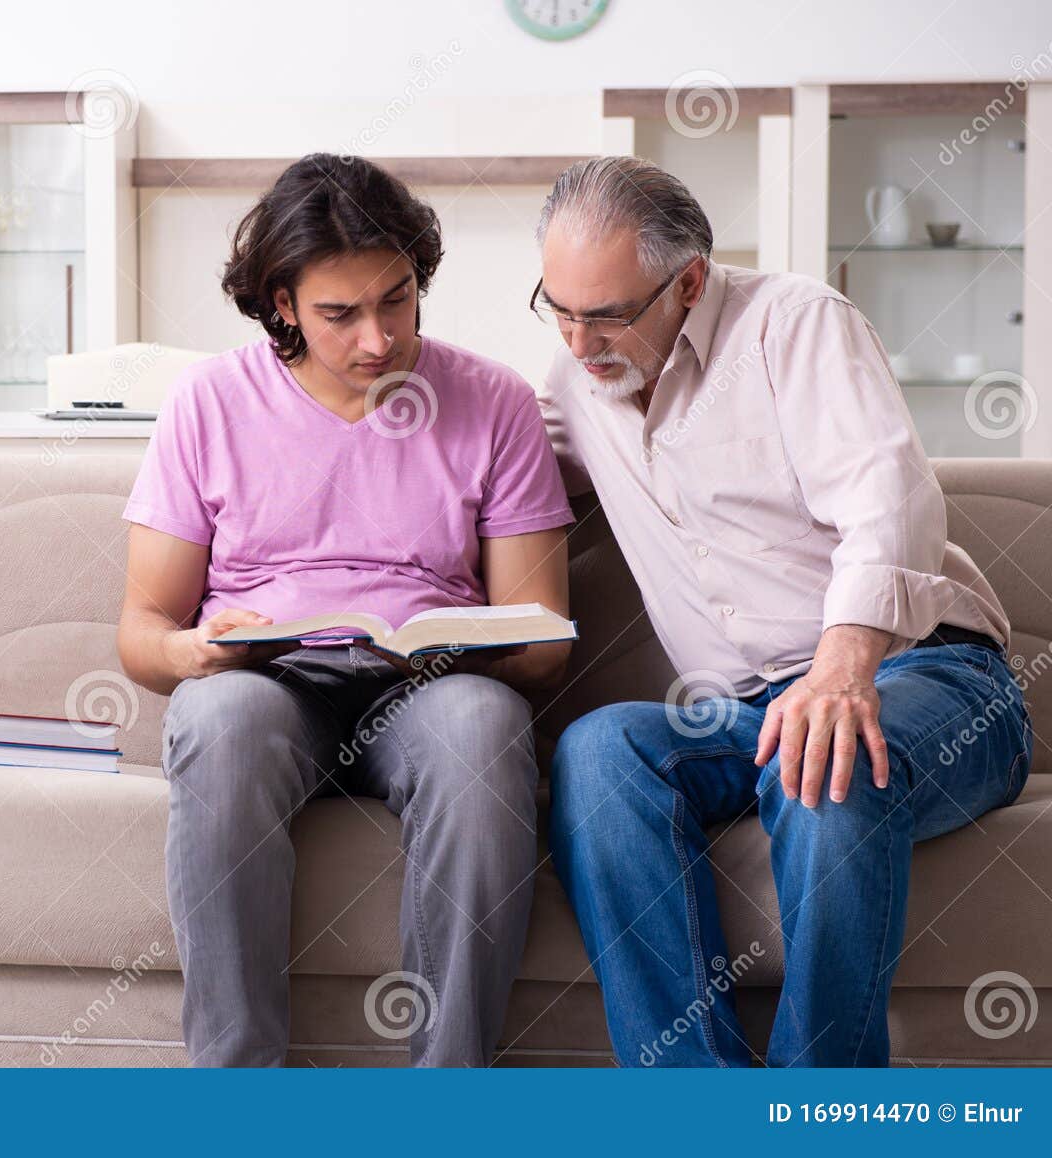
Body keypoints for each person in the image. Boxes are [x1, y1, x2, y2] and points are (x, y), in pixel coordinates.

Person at [532, 155, 1032, 1067]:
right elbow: (486, 469)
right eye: (556, 308)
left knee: (828, 762)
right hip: (742, 710)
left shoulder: (794, 325)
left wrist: (842, 670)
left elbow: (890, 505)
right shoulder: (580, 382)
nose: (577, 340)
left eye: (604, 315)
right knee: (598, 752)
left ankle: (816, 1111)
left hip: (922, 672)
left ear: (688, 282)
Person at [116, 153, 575, 1065]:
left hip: (433, 688)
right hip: (268, 683)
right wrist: (197, 652)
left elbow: (544, 641)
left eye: (397, 300)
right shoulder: (208, 402)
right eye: (340, 314)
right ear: (281, 303)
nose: (378, 340)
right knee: (220, 719)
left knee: (484, 724)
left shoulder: (494, 402)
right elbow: (141, 631)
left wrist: (461, 650)